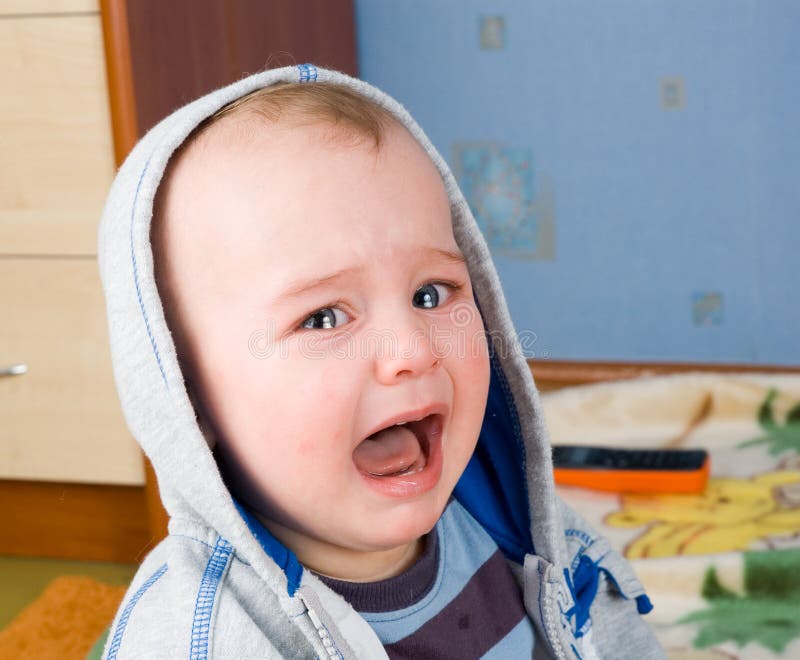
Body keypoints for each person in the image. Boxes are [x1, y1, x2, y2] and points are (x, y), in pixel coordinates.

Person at [97, 64, 665, 659]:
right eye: (323, 318)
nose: (412, 350)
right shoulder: (203, 641)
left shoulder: (523, 530)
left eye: (431, 293)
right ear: (189, 400)